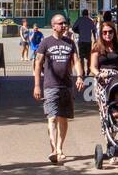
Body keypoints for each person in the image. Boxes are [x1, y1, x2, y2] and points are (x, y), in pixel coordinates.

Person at [33, 14, 84, 164]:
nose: (64, 25)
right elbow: (37, 64)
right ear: (53, 25)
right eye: (60, 23)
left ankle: (60, 148)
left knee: (63, 118)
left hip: (66, 85)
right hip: (50, 85)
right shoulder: (45, 43)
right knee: (52, 117)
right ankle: (54, 149)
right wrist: (37, 85)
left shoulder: (70, 43)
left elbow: (76, 61)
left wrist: (80, 76)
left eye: (65, 23)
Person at [90, 20, 118, 129]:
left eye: (110, 31)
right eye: (105, 32)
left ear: (114, 32)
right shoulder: (97, 46)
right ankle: (110, 133)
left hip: (117, 76)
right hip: (102, 78)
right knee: (106, 107)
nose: (108, 34)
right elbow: (92, 66)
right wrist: (98, 74)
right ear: (101, 33)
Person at [73, 8, 97, 77]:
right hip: (88, 41)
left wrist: (79, 31)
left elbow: (73, 28)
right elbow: (94, 30)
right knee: (89, 57)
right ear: (88, 14)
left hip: (81, 41)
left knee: (81, 57)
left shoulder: (79, 20)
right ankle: (88, 71)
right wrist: (95, 39)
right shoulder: (90, 21)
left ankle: (82, 71)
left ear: (82, 14)